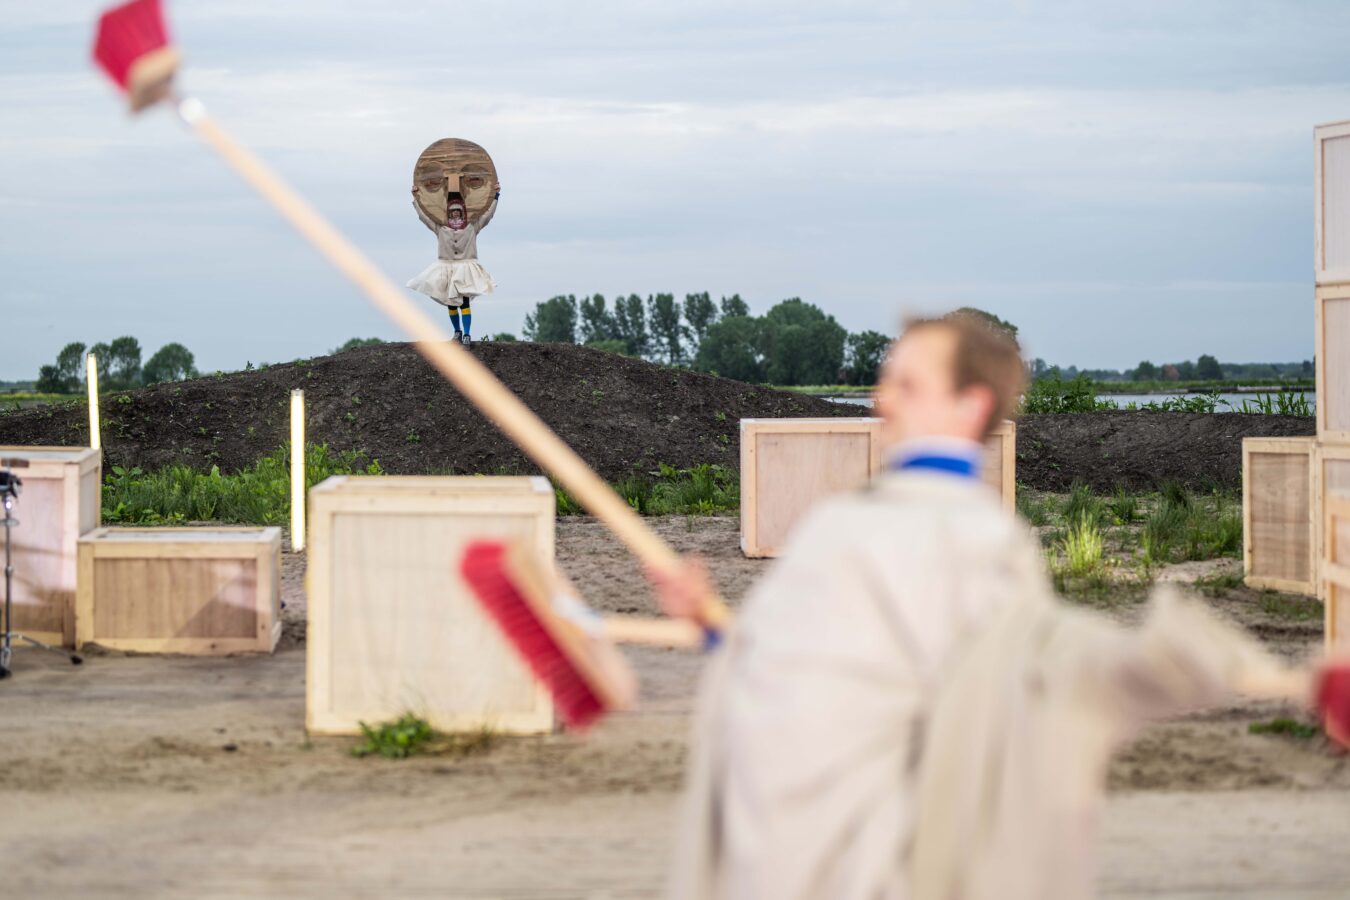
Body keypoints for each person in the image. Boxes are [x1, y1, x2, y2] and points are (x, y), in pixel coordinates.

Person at [653, 312, 1324, 900]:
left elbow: (830, 686)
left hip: (859, 855)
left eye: (906, 385)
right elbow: (830, 661)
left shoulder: (900, 532)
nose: (881, 400)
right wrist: (716, 621)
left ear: (970, 406)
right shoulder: (984, 535)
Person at [407, 182, 500, 347]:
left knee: (464, 302)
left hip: (465, 268)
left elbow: (488, 215)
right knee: (450, 302)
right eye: (452, 213)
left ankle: (466, 334)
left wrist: (496, 195)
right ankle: (457, 332)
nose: (455, 215)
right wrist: (415, 197)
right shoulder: (440, 228)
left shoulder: (472, 227)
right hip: (446, 267)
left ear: (462, 212)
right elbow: (424, 217)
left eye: (458, 212)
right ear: (448, 214)